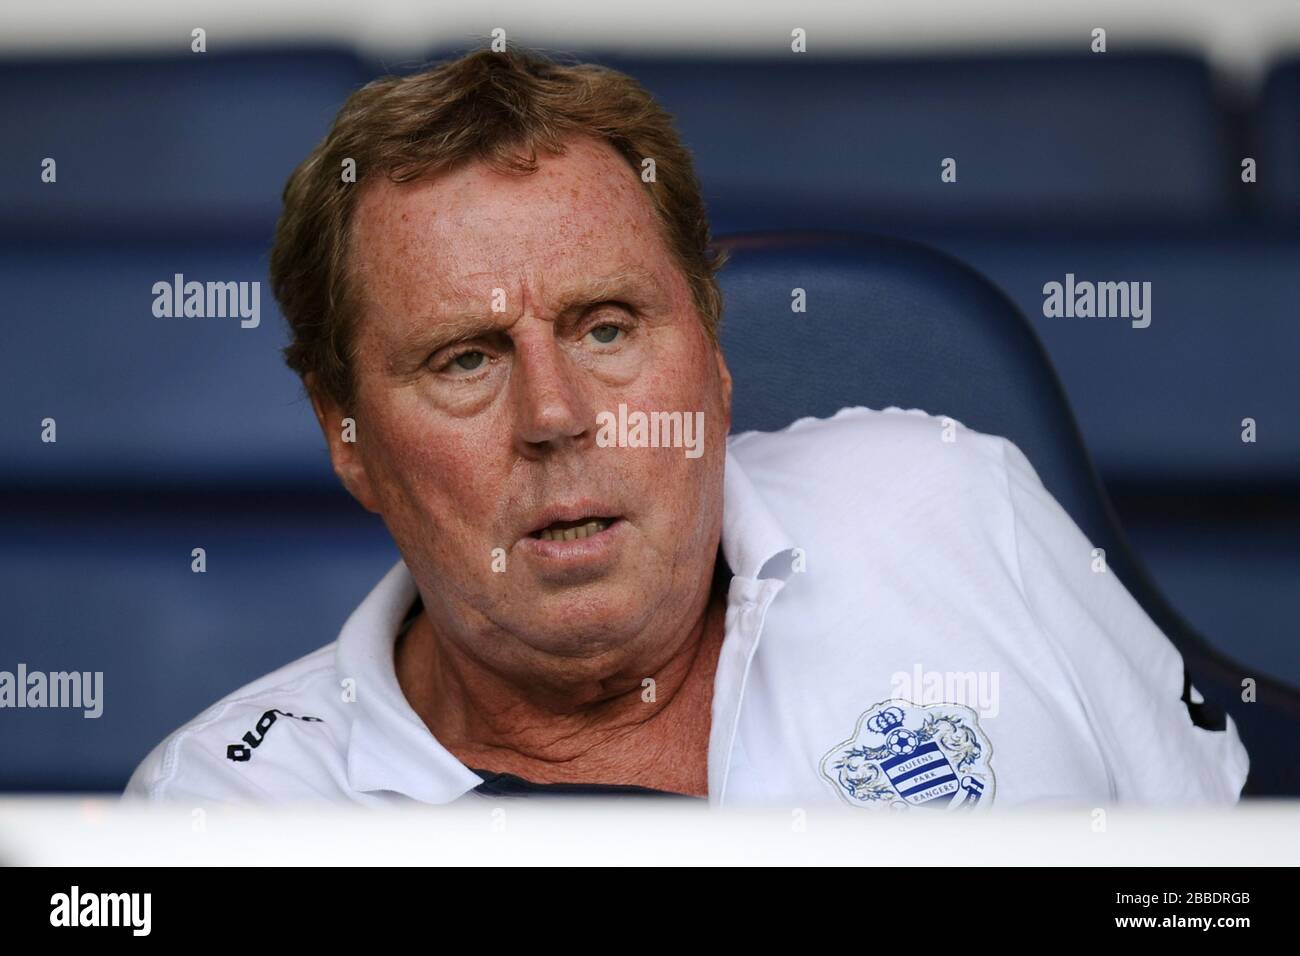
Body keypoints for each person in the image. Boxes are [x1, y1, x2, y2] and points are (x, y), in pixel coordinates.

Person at [124, 47, 1248, 809]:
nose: (555, 416)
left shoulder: (949, 500)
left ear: (712, 357)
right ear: (348, 437)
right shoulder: (228, 809)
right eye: (466, 358)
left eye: (607, 328)